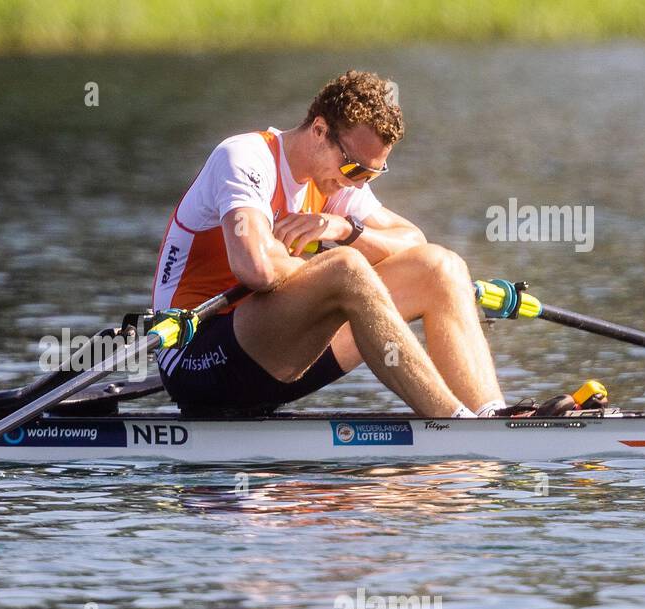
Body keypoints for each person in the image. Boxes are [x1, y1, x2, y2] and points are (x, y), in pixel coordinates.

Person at [153, 70, 534, 418]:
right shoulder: (245, 158)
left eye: (372, 174)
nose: (358, 183)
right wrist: (333, 277)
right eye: (354, 168)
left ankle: (489, 415)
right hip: (197, 357)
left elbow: (413, 244)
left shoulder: (336, 181)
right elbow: (255, 268)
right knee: (346, 268)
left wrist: (343, 229)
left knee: (440, 267)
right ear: (319, 130)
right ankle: (451, 421)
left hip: (273, 358)